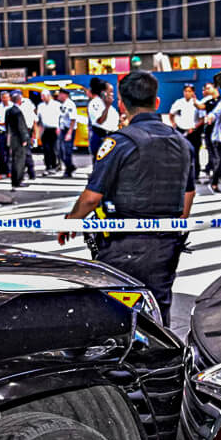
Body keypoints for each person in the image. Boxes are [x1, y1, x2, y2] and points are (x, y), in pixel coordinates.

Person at [60, 69, 196, 316]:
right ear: (156, 102)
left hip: (123, 242)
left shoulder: (119, 142)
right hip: (167, 242)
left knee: (114, 309)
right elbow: (188, 196)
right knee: (158, 306)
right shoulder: (183, 144)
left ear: (122, 104)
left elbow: (92, 197)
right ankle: (161, 353)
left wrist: (71, 220)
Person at [3, 89, 34, 189]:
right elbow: (21, 127)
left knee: (14, 160)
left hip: (12, 138)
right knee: (20, 160)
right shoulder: (18, 112)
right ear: (19, 100)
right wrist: (25, 139)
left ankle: (14, 180)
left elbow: (6, 125)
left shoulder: (8, 111)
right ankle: (18, 180)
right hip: (19, 139)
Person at [86, 77, 121, 156]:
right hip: (102, 138)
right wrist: (107, 106)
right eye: (110, 92)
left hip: (112, 137)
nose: (112, 94)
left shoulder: (110, 107)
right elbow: (100, 121)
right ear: (103, 93)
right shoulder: (95, 103)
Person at [169, 84, 201, 160]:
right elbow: (171, 114)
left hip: (192, 131)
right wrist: (173, 123)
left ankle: (195, 171)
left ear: (193, 92)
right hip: (180, 129)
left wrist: (194, 127)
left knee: (194, 153)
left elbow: (202, 119)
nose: (187, 93)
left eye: (189, 91)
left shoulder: (198, 103)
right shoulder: (179, 102)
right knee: (180, 151)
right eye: (185, 91)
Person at [36, 87, 63, 174]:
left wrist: (59, 127)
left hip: (54, 129)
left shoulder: (57, 105)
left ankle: (55, 165)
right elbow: (38, 119)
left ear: (48, 96)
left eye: (43, 96)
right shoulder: (40, 106)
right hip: (45, 129)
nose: (42, 98)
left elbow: (61, 117)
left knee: (54, 149)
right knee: (46, 149)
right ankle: (48, 166)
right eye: (41, 96)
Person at [55, 88, 80, 177]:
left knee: (67, 151)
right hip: (63, 129)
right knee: (60, 151)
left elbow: (73, 119)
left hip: (69, 129)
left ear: (64, 95)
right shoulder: (62, 104)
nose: (58, 96)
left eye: (60, 94)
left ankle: (68, 171)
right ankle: (71, 167)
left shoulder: (70, 104)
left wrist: (69, 132)